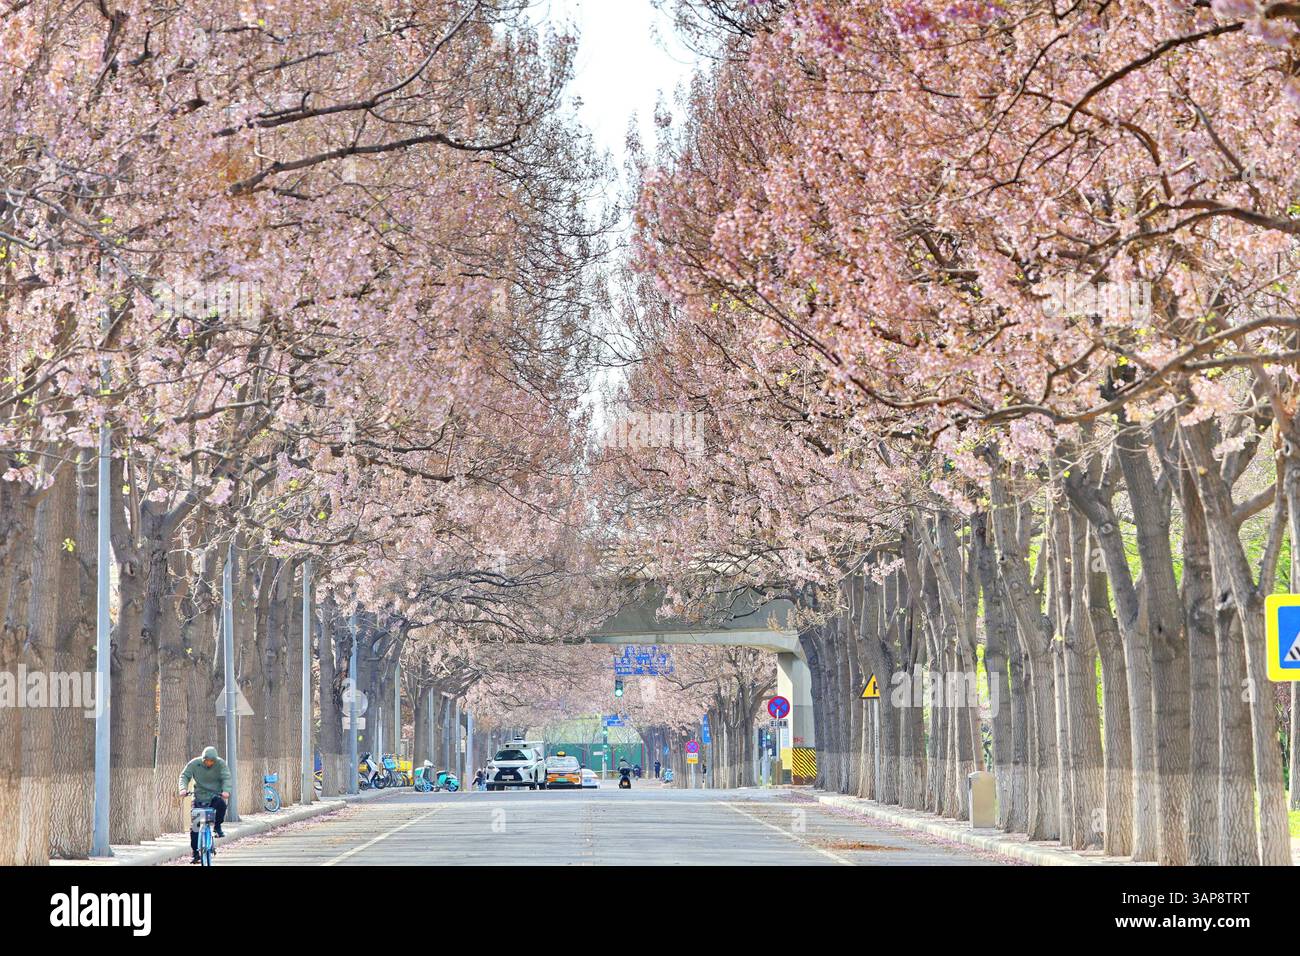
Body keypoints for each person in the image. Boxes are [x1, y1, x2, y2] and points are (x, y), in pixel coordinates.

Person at [178, 746, 232, 864]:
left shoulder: (221, 764)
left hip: (214, 795)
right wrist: (183, 789)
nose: (209, 763)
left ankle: (217, 827)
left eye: (211, 761)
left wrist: (226, 790)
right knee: (195, 828)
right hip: (198, 796)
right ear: (203, 759)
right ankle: (196, 854)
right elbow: (184, 776)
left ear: (215, 760)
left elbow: (226, 777)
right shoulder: (195, 763)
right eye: (206, 761)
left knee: (221, 805)